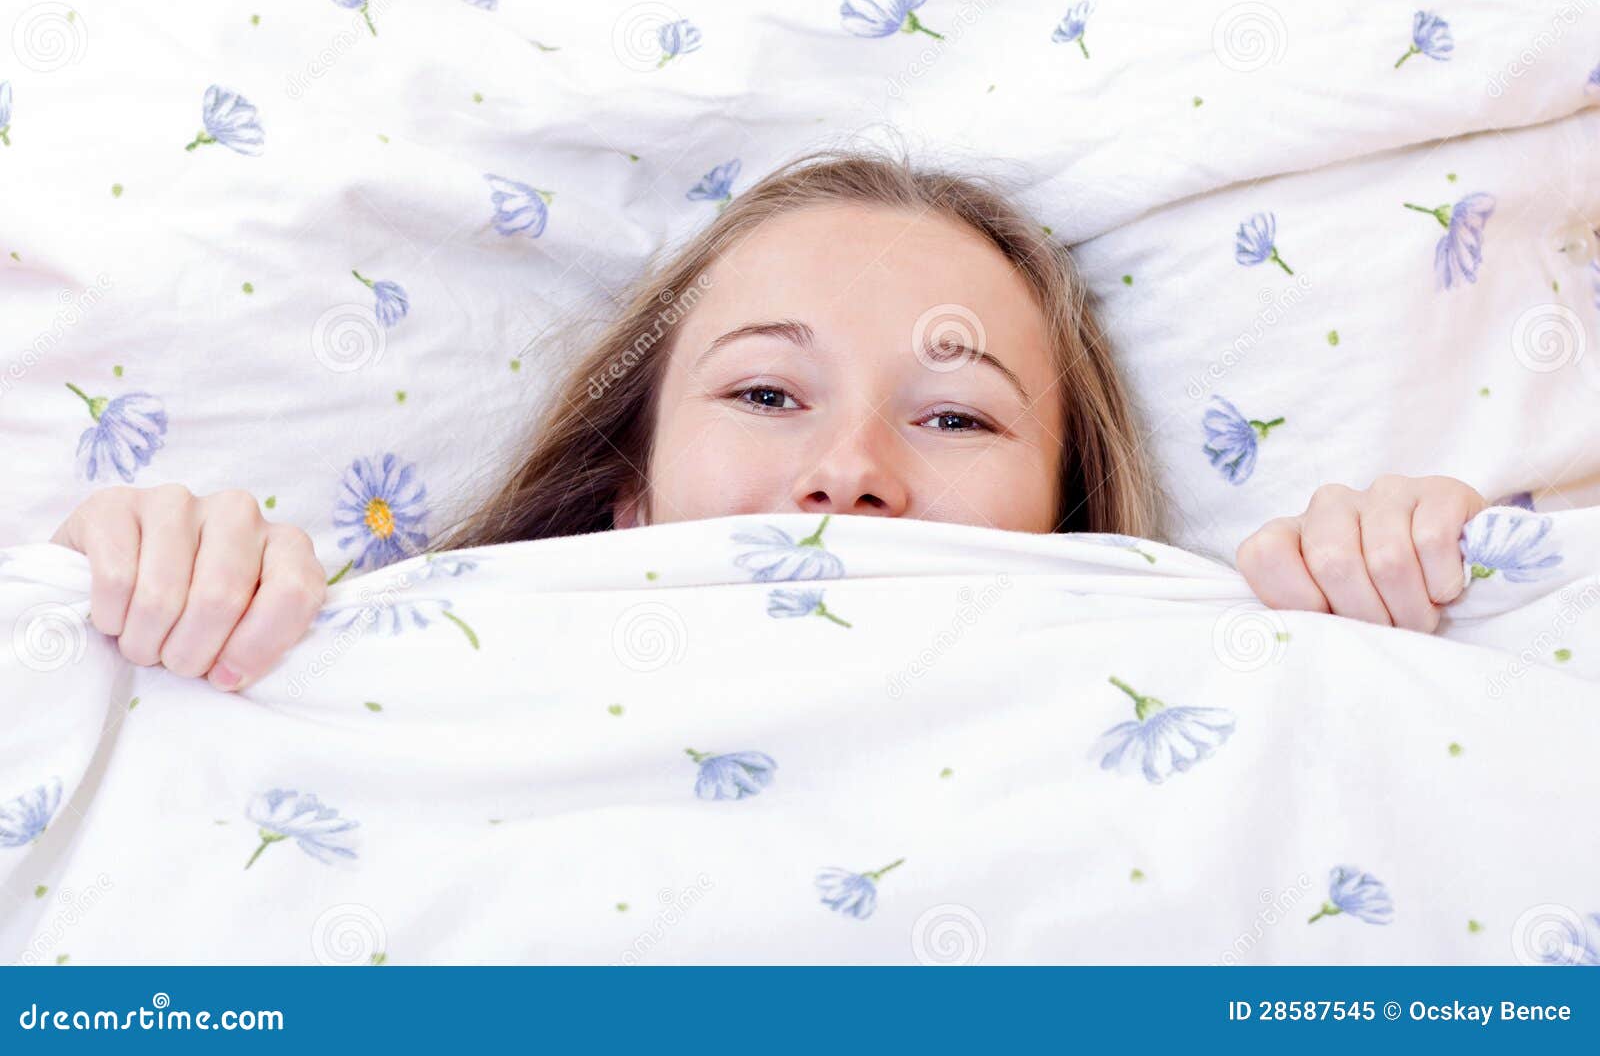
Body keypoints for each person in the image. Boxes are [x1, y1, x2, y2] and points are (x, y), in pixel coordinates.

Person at [47, 150, 1488, 692]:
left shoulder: (1216, 665)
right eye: (764, 393)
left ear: (1070, 511)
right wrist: (151, 589)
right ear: (628, 492)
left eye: (958, 415)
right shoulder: (375, 654)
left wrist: (1387, 604)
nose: (850, 471)